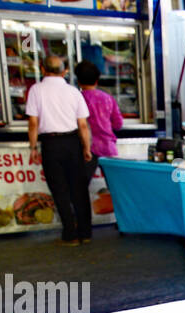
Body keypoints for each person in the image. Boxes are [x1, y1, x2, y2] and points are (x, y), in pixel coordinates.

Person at [27, 56, 92, 246]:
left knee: (59, 190)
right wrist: (86, 148)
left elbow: (33, 123)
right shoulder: (74, 92)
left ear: (42, 69)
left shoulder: (36, 90)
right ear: (64, 71)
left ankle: (70, 235)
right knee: (79, 189)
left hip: (51, 144)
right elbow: (83, 125)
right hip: (73, 143)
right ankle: (85, 233)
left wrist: (33, 147)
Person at [75, 60, 123, 172]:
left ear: (78, 82)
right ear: (97, 80)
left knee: (83, 182)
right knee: (113, 181)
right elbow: (118, 124)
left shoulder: (77, 98)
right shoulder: (108, 98)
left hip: (86, 149)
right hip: (108, 148)